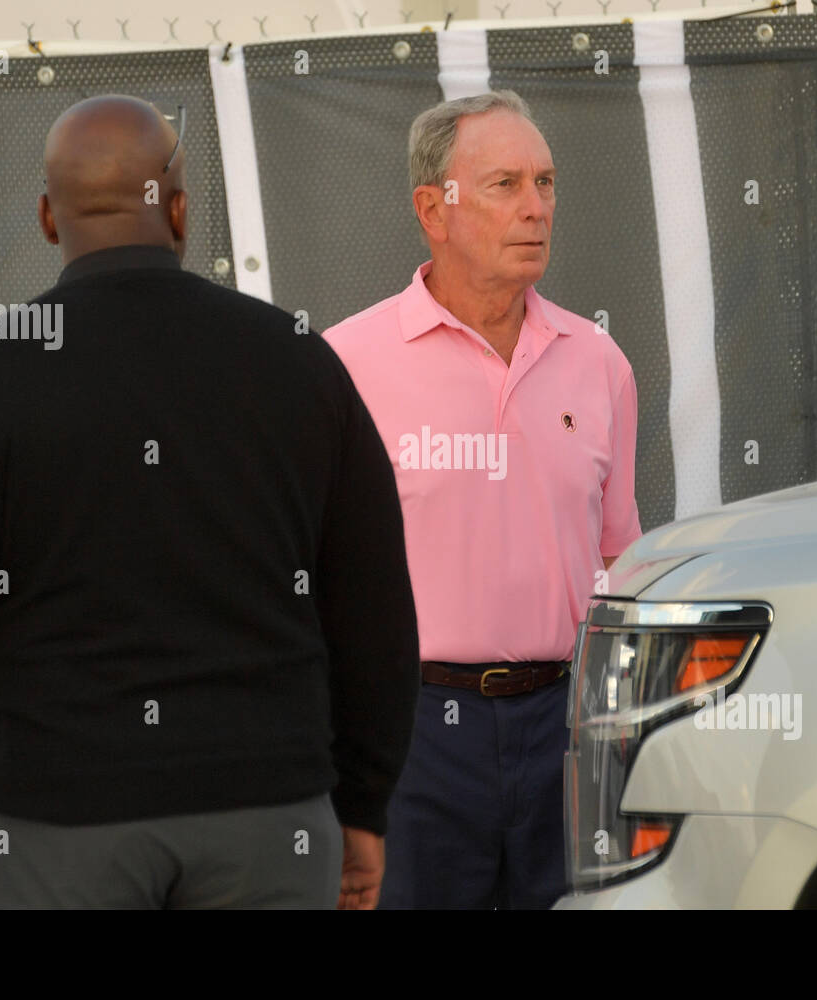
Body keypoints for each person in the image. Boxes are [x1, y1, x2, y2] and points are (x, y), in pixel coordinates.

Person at [0, 94, 419, 910]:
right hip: (269, 821)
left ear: (45, 218)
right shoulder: (299, 361)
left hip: (51, 826)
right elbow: (375, 612)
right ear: (178, 209)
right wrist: (362, 804)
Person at [322, 90, 642, 909]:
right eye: (505, 184)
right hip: (412, 736)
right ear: (434, 208)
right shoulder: (345, 365)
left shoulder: (598, 361)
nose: (536, 208)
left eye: (546, 182)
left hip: (571, 730)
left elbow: (621, 559)